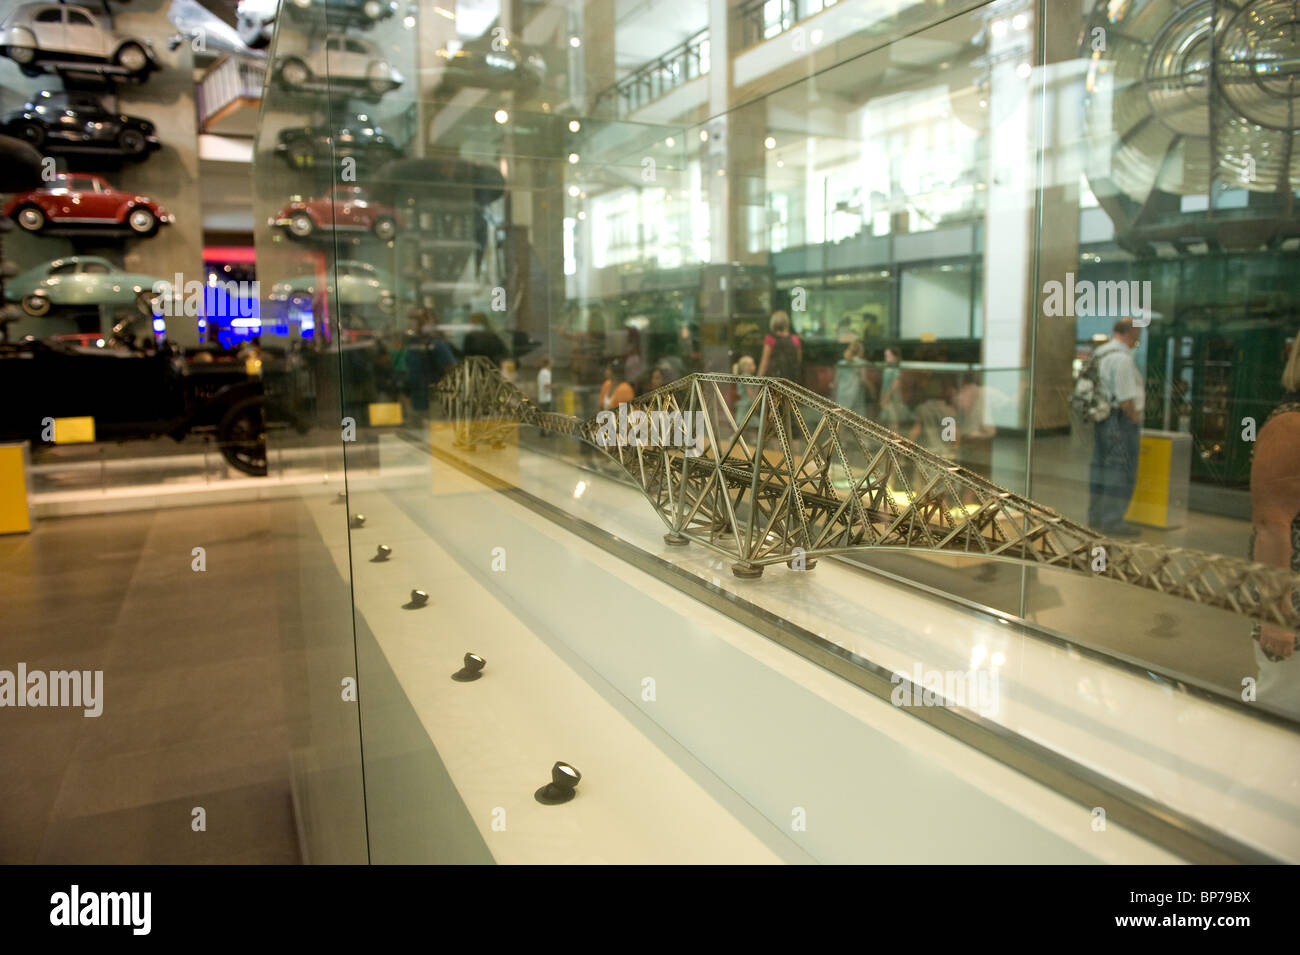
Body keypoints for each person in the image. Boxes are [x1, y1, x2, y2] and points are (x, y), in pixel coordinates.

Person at [1248, 341, 1300, 709]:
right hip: (1295, 608)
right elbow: (1271, 525)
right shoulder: (1290, 424)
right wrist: (1277, 616)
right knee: (1280, 722)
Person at [1088, 318, 1145, 536]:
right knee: (1119, 471)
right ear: (1132, 333)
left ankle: (1095, 516)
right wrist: (1135, 418)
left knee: (1100, 468)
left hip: (1101, 418)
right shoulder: (1122, 359)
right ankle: (1112, 521)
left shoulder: (1100, 353)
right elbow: (1125, 399)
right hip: (1120, 420)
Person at [757, 310, 802, 384]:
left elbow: (764, 364)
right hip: (792, 380)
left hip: (774, 381)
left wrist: (757, 383)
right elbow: (798, 361)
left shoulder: (770, 339)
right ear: (787, 323)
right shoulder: (795, 339)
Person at [832, 340, 869, 416]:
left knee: (841, 420)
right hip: (855, 395)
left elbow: (836, 382)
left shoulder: (841, 363)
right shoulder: (861, 363)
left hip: (842, 394)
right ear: (860, 351)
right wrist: (872, 388)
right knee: (856, 421)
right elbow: (863, 380)